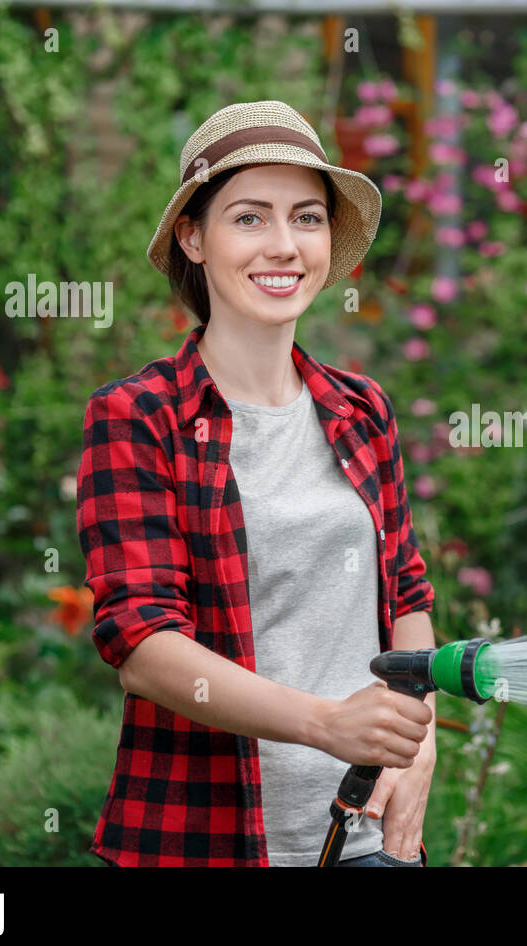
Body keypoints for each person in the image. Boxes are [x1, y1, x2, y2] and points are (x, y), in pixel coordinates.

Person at [76, 100, 436, 867]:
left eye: (306, 218)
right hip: (204, 844)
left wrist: (419, 734)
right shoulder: (140, 418)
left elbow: (407, 597)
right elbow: (143, 644)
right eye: (250, 218)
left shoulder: (362, 410)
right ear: (193, 237)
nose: (284, 245)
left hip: (364, 844)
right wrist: (324, 724)